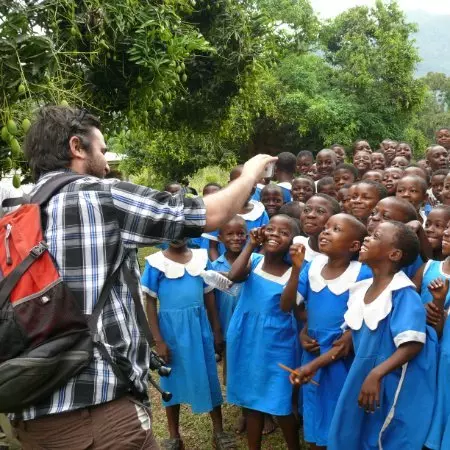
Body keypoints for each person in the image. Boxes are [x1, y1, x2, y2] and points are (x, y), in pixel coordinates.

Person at [11, 105, 275, 449]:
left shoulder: (17, 214)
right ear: (77, 147)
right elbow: (211, 214)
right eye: (102, 150)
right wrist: (251, 173)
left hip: (30, 408)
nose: (106, 164)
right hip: (97, 408)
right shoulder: (100, 195)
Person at [327, 221, 437, 450]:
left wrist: (376, 374)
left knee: (384, 435)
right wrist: (313, 366)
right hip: (364, 374)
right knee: (357, 429)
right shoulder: (362, 288)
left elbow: (412, 344)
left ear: (394, 254)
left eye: (375, 236)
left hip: (390, 381)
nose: (367, 239)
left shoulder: (402, 294)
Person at [284, 214, 370, 450]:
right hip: (313, 347)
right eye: (326, 227)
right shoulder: (313, 267)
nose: (325, 232)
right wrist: (296, 268)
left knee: (338, 407)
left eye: (336, 229)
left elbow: (353, 331)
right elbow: (289, 304)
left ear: (354, 245)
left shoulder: (362, 273)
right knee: (314, 405)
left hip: (340, 356)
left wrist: (313, 364)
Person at [141, 242, 233, 450]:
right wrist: (159, 341)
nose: (177, 236)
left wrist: (216, 329)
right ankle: (174, 436)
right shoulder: (156, 263)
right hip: (171, 331)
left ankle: (218, 431)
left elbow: (209, 295)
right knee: (171, 380)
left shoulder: (201, 258)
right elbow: (150, 303)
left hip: (199, 328)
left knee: (208, 375)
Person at [226, 216, 302, 450]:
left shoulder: (293, 273)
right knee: (250, 399)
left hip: (277, 343)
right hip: (246, 336)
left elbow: (286, 307)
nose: (275, 235)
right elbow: (234, 275)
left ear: (294, 242)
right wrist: (250, 244)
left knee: (280, 400)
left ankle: (293, 446)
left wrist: (298, 269)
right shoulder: (255, 260)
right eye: (271, 229)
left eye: (284, 232)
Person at [211, 216, 247, 384]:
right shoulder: (214, 267)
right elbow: (212, 302)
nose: (236, 238)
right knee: (230, 358)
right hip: (226, 324)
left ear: (247, 236)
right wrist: (216, 329)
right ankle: (233, 389)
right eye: (230, 234)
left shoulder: (254, 263)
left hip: (248, 325)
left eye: (240, 234)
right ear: (220, 239)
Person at [210, 165, 269, 260]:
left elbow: (265, 245)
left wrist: (254, 265)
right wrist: (218, 268)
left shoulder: (260, 212)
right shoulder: (220, 210)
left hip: (251, 266)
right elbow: (213, 247)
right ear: (230, 184)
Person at [297, 194, 341, 264]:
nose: (310, 215)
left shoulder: (343, 257)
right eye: (306, 210)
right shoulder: (295, 245)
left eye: (320, 211)